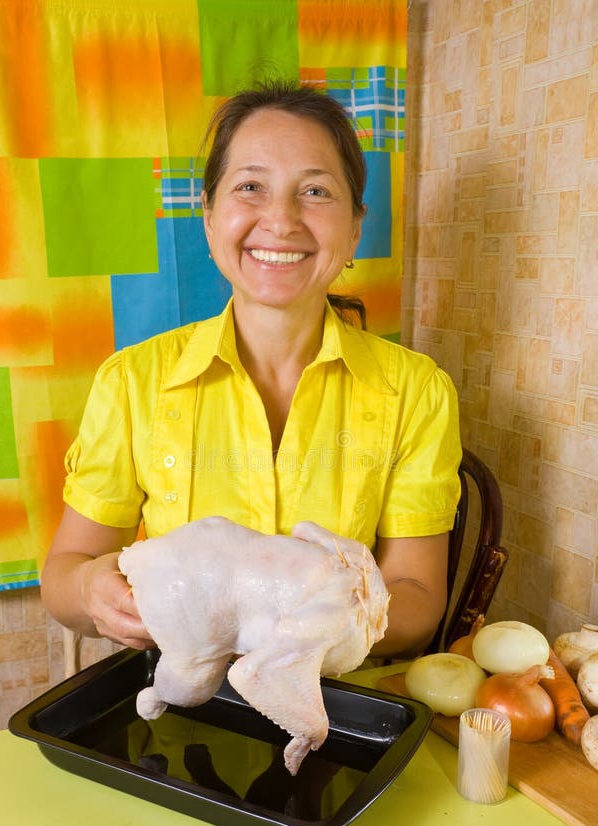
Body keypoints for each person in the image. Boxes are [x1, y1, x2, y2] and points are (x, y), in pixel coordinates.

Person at [41, 81, 462, 659]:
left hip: (338, 705)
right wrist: (91, 590)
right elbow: (65, 574)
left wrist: (317, 634)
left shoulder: (418, 392)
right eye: (250, 187)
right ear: (210, 219)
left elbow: (416, 592)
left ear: (356, 227)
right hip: (183, 710)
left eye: (315, 191)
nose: (281, 220)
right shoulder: (133, 382)